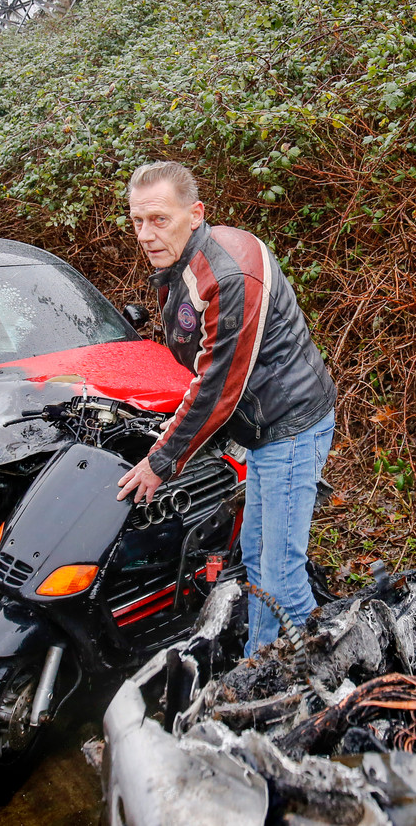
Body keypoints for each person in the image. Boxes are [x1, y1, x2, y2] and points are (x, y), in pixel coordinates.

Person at [116, 161, 337, 656]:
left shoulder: (227, 272)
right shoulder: (183, 261)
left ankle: (315, 672)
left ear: (195, 214)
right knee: (256, 555)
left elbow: (217, 386)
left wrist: (161, 461)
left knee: (280, 575)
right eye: (137, 221)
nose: (146, 235)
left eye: (159, 219)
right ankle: (261, 662)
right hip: (262, 427)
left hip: (289, 426)